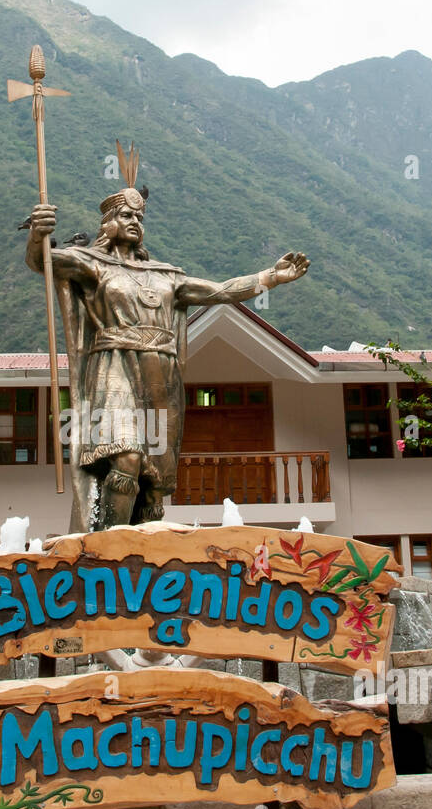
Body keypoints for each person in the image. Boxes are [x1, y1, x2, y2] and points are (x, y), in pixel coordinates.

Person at [26, 143, 309, 531]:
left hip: (162, 375)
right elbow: (45, 262)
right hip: (114, 366)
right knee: (124, 459)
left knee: (154, 481)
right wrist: (37, 235)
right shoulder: (93, 265)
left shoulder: (167, 275)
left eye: (138, 216)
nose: (133, 221)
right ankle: (108, 546)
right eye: (124, 215)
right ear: (106, 223)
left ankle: (144, 556)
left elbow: (222, 290)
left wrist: (270, 277)